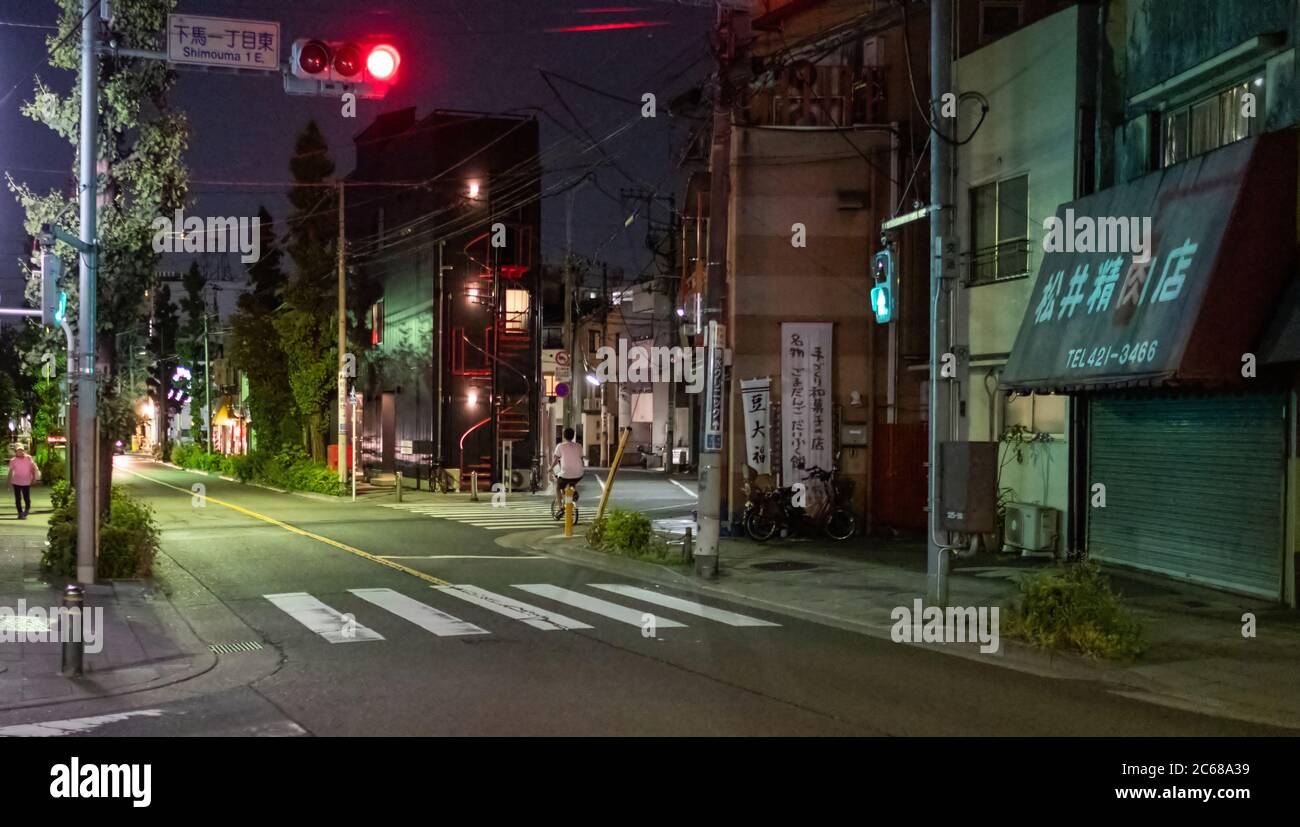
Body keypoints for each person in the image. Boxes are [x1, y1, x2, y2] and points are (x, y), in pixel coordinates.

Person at [551, 427, 585, 508]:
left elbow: (556, 460)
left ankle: (560, 507)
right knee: (571, 483)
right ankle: (573, 492)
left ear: (564, 436)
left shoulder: (560, 446)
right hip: (579, 474)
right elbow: (581, 459)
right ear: (573, 436)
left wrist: (550, 468)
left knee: (558, 488)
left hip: (565, 474)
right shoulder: (579, 446)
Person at [8, 445, 39, 520]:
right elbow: (11, 471)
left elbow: (33, 468)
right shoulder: (13, 460)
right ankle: (20, 513)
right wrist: (9, 481)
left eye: (21, 450)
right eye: (18, 450)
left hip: (26, 481)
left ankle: (27, 509)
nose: (20, 452)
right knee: (17, 499)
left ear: (23, 451)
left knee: (26, 498)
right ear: (16, 452)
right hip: (16, 481)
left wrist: (34, 478)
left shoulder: (28, 458)